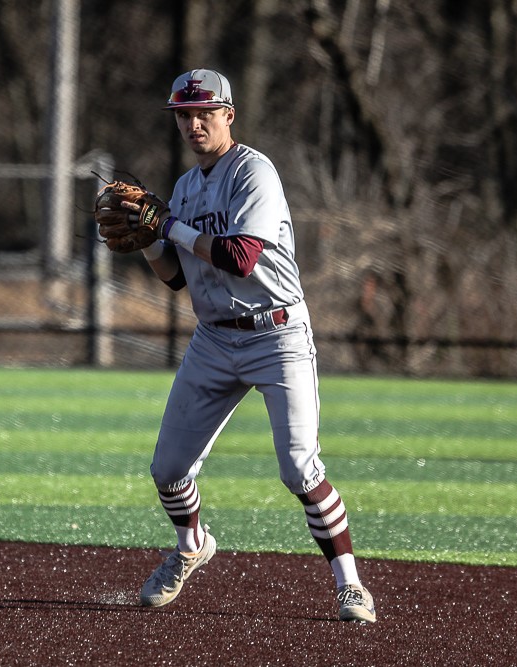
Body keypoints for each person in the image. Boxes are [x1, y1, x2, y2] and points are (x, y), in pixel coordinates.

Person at [135, 68, 376, 623]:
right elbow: (178, 279)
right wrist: (148, 242)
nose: (193, 124)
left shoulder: (254, 172)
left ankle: (350, 585)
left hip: (277, 335)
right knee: (167, 468)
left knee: (298, 469)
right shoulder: (185, 187)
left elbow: (240, 257)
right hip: (214, 339)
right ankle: (192, 545)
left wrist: (168, 227)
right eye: (184, 115)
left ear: (228, 116)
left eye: (205, 113)